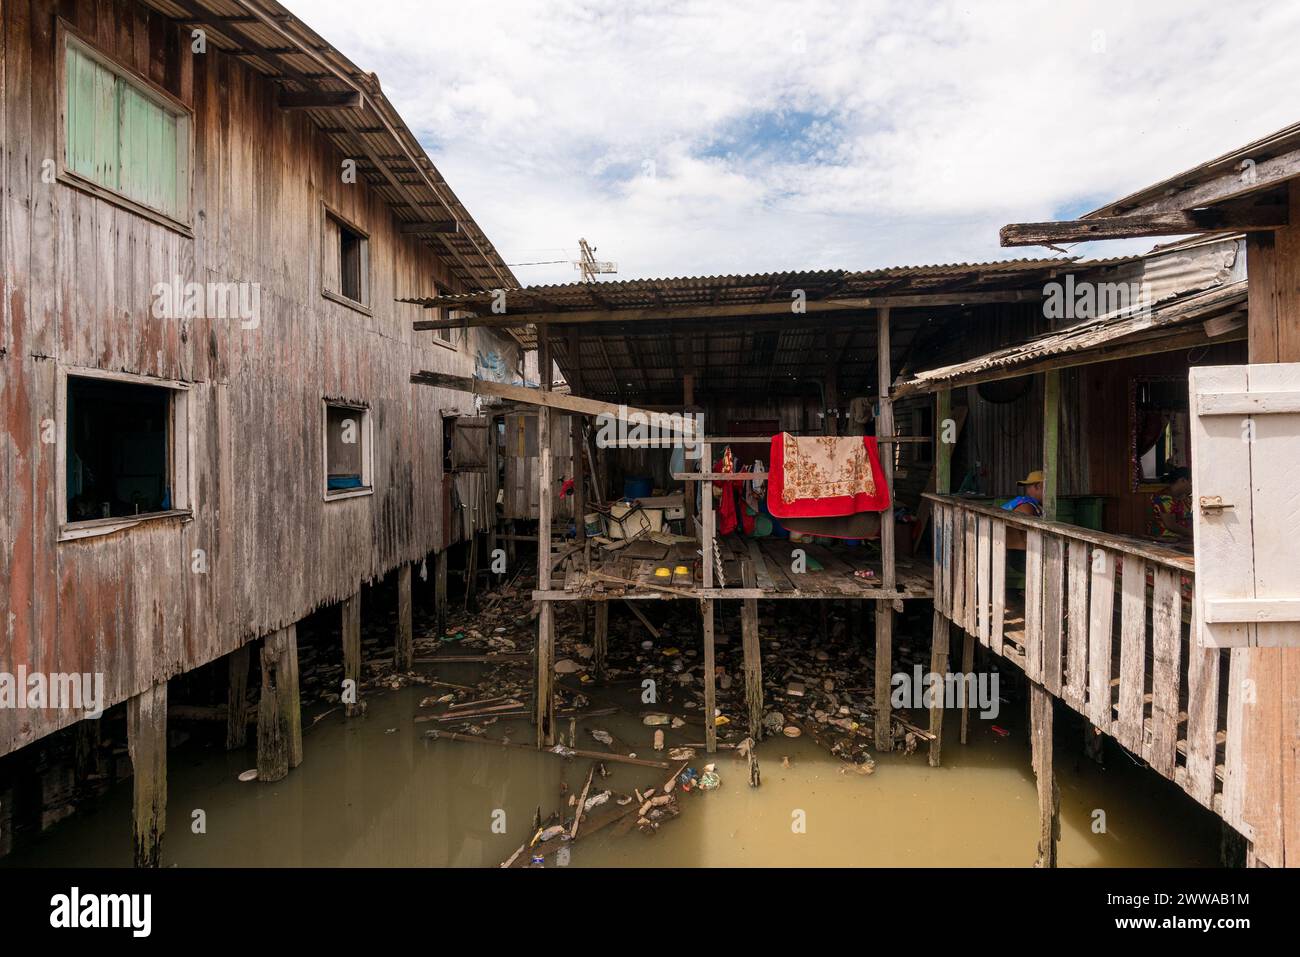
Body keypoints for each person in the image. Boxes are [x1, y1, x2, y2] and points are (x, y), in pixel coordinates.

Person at [1001, 470, 1044, 554]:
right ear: (1038, 486)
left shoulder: (1023, 503)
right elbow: (1026, 535)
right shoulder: (1027, 507)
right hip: (1016, 554)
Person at [1149, 466, 1192, 542]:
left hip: (1183, 539)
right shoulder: (1163, 498)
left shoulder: (1185, 497)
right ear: (1182, 480)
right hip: (1165, 541)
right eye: (1192, 482)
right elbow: (1171, 525)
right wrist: (1193, 534)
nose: (1193, 485)